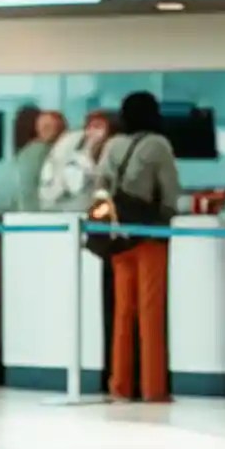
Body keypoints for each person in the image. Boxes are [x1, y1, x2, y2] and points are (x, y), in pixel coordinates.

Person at [92, 92, 180, 402]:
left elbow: (99, 186)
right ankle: (153, 388)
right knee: (150, 311)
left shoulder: (114, 145)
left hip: (118, 237)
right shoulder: (158, 145)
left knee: (122, 313)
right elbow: (170, 194)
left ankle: (120, 385)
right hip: (149, 236)